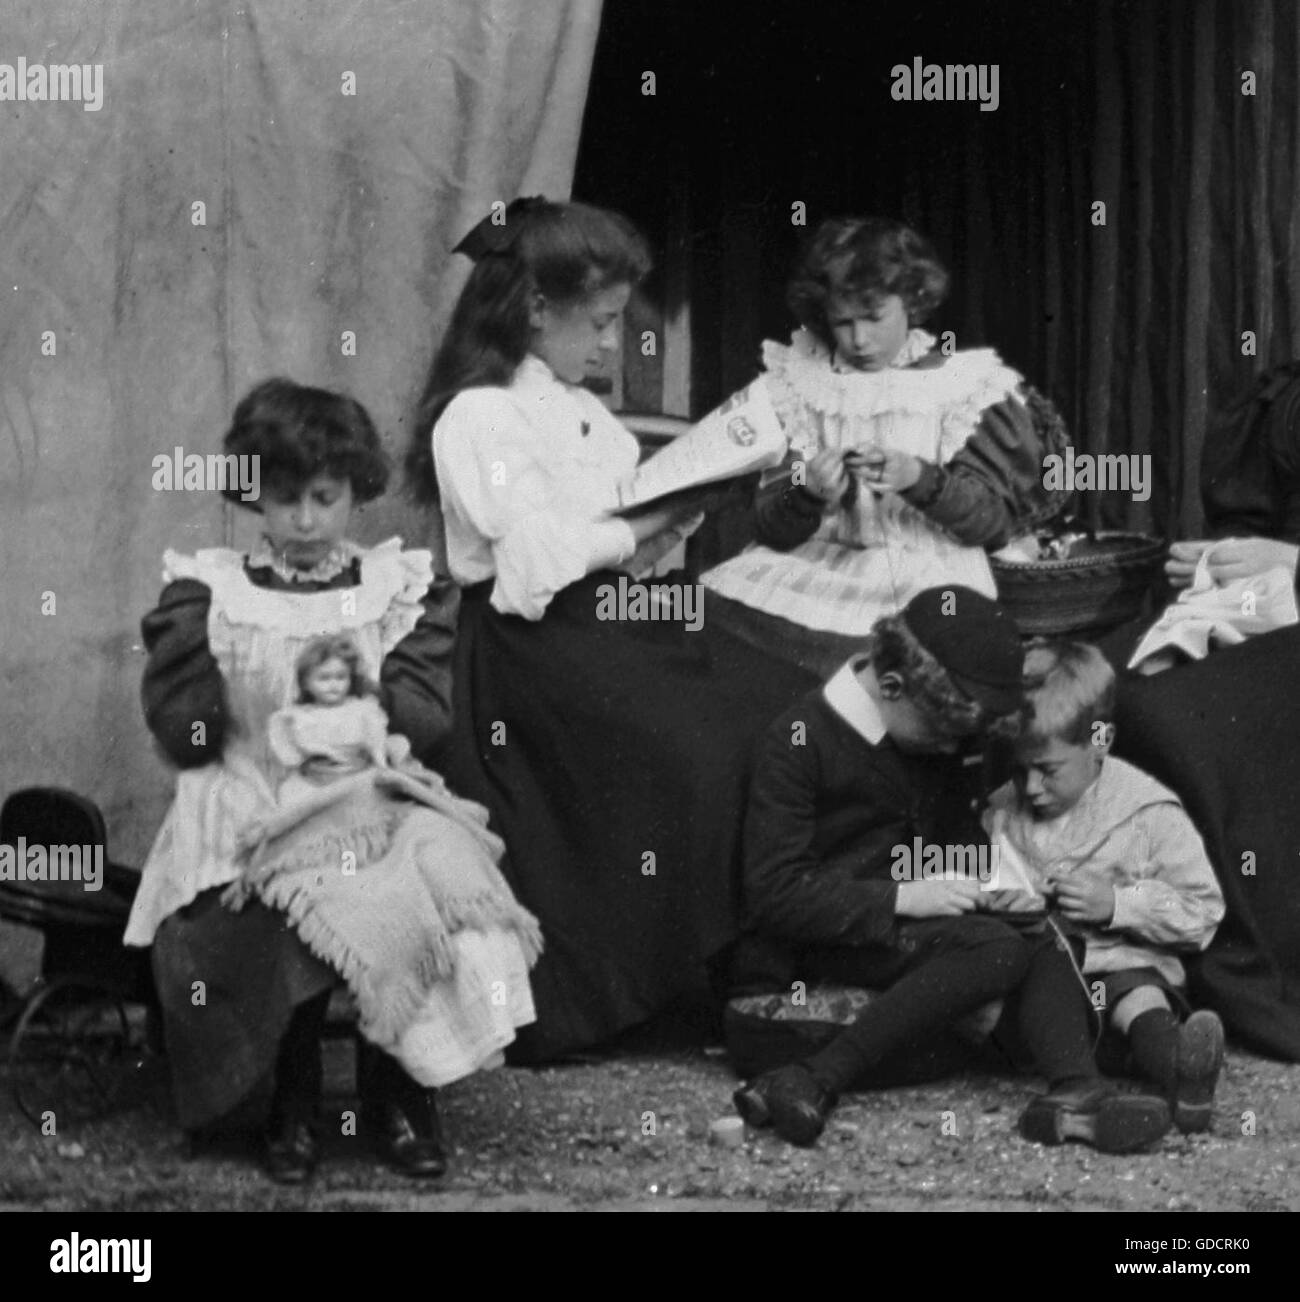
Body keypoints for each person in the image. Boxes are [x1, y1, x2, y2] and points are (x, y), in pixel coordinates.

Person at [405, 197, 819, 1060]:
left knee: (776, 701)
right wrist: (635, 528)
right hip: (530, 653)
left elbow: (623, 549)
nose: (608, 345)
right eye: (596, 323)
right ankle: (636, 982)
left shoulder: (580, 412)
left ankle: (732, 961)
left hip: (606, 624)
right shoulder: (478, 417)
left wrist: (691, 501)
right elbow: (528, 572)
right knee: (696, 746)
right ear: (531, 310)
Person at [125, 378, 539, 1184]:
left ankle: (401, 1095)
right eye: (285, 501)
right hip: (247, 796)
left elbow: (423, 714)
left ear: (355, 492)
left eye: (325, 497)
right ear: (256, 500)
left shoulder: (396, 589)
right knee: (288, 903)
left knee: (433, 880)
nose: (307, 522)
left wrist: (357, 707)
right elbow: (188, 735)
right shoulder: (210, 589)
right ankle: (293, 1092)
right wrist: (195, 683)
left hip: (365, 790)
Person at [730, 588, 1175, 1154]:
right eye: (944, 733)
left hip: (900, 940)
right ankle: (815, 1076)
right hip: (810, 945)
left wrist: (991, 891)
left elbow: (948, 851)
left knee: (1032, 934)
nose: (954, 748)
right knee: (996, 952)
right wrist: (903, 898)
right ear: (892, 687)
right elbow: (773, 894)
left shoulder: (934, 731)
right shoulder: (799, 742)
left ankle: (1077, 1089)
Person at [701, 216, 1069, 676]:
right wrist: (810, 492)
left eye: (874, 318)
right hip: (818, 564)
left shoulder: (962, 386)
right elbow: (770, 528)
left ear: (913, 302)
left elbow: (992, 525)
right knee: (722, 625)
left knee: (871, 663)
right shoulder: (803, 384)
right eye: (843, 322)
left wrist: (919, 478)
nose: (859, 339)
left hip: (926, 573)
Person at [984, 639, 1227, 1132]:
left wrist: (1118, 905)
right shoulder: (1004, 809)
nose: (1030, 789)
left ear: (1099, 741)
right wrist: (1002, 900)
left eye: (1048, 771)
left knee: (1138, 995)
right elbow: (990, 879)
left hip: (1120, 980)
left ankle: (1182, 1079)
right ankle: (1092, 1100)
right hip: (1045, 1002)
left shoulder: (1146, 812)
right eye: (1019, 768)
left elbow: (1202, 909)